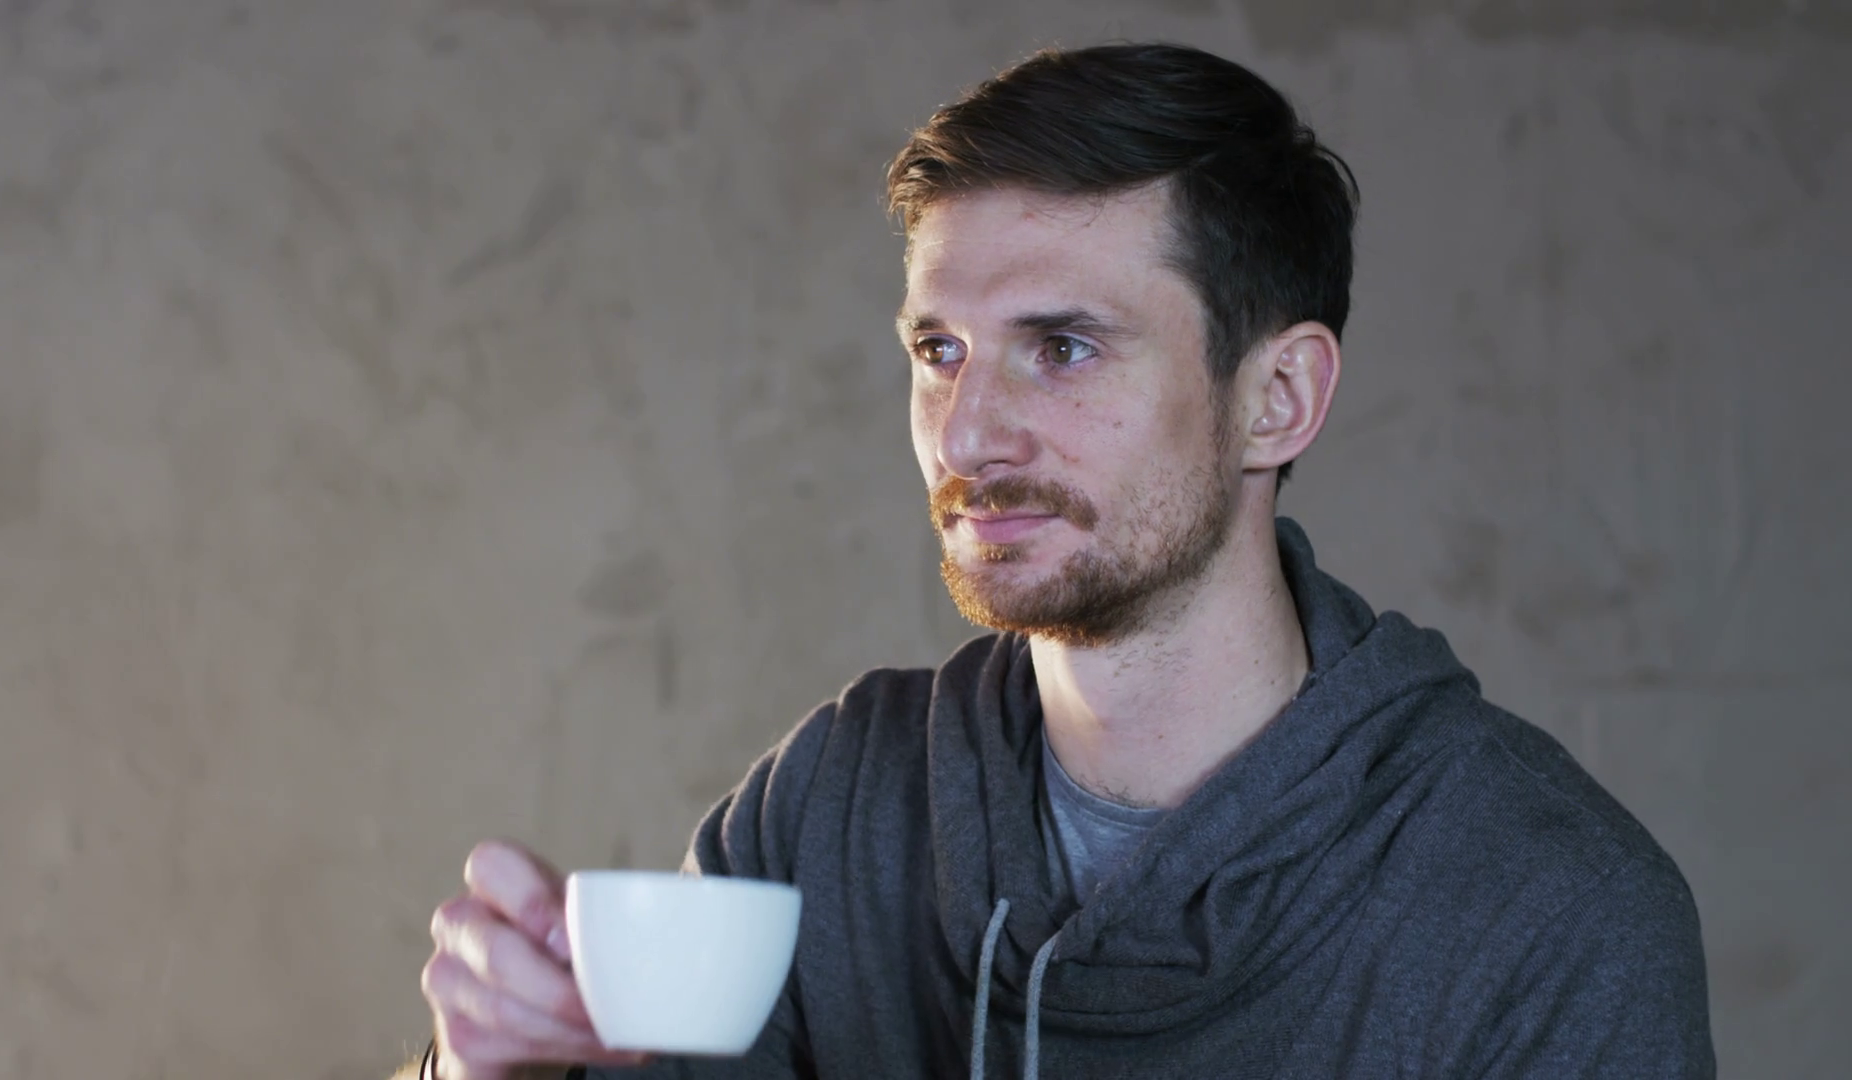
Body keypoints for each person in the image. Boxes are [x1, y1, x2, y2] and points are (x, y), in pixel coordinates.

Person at [400, 42, 1716, 1080]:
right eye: (939, 352)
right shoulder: (837, 805)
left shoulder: (1550, 910)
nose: (966, 431)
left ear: (1278, 399)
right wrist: (486, 1067)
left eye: (1065, 346)